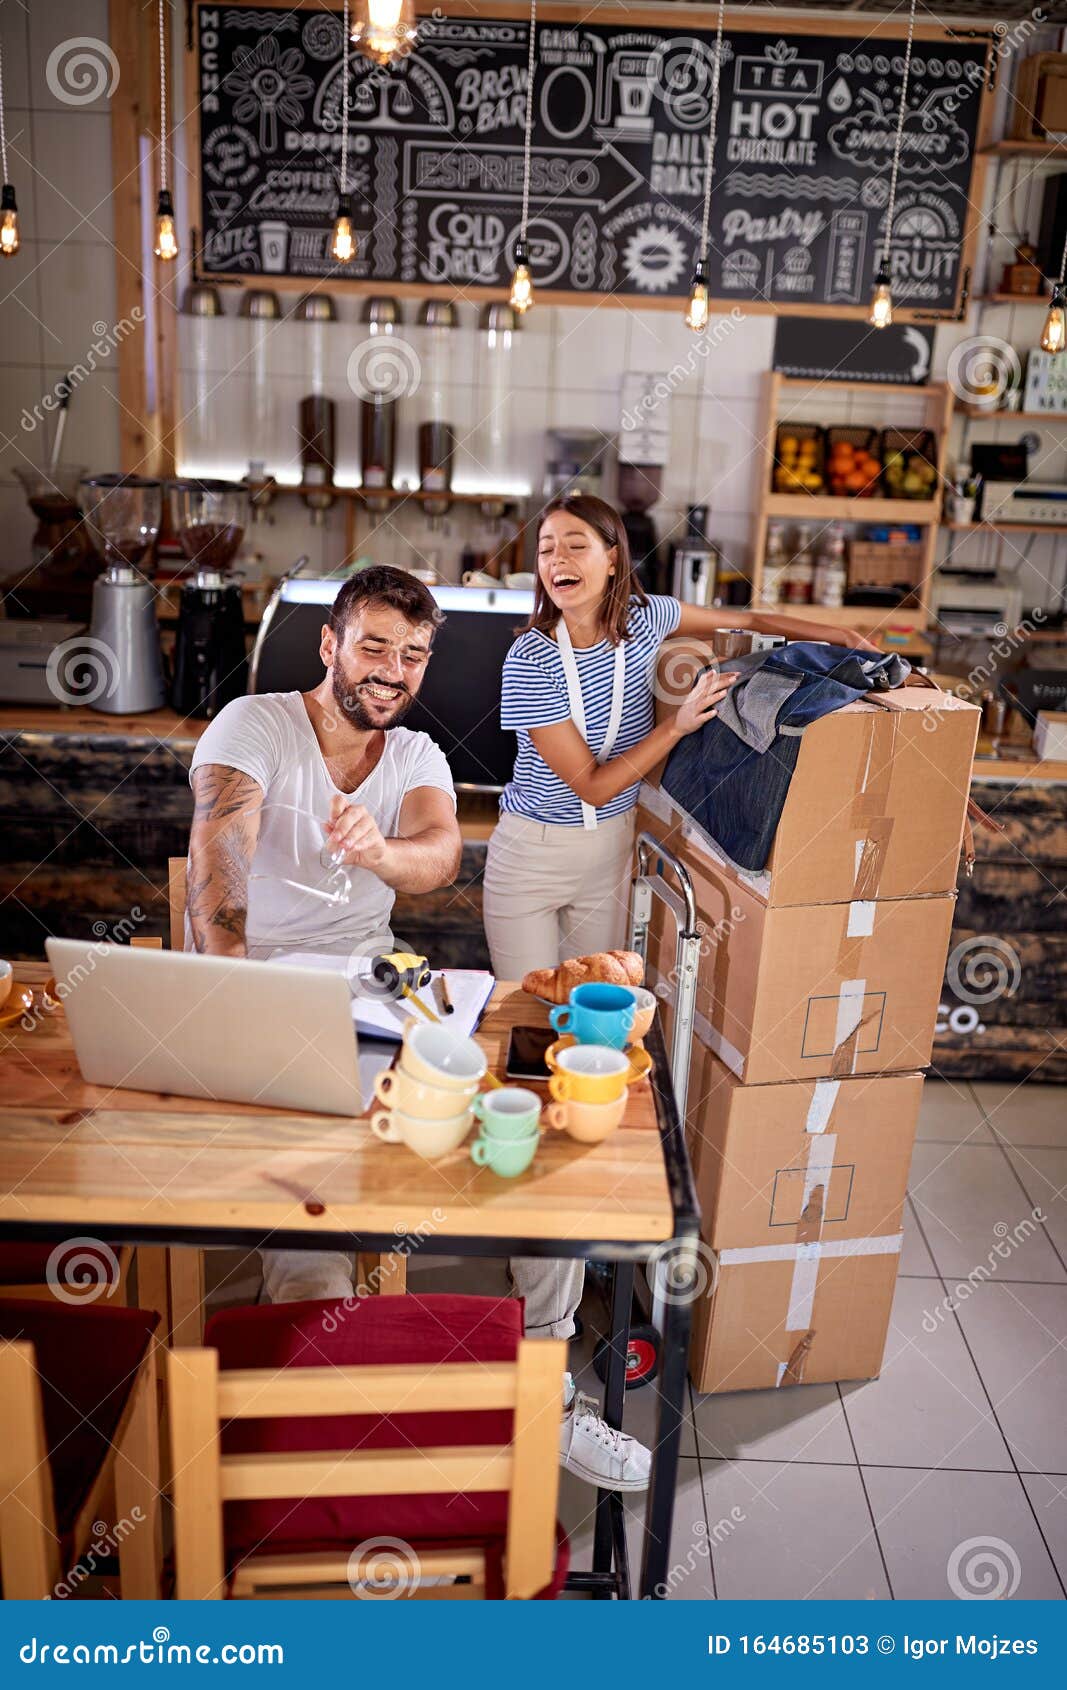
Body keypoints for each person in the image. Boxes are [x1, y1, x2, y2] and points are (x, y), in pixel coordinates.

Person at [483, 492, 878, 1490]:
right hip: (532, 860)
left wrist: (830, 631)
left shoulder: (650, 621)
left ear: (615, 560)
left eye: (576, 544)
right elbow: (589, 785)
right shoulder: (529, 658)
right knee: (532, 1068)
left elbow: (748, 622)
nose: (556, 558)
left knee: (595, 1064)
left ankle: (556, 1274)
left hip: (606, 864)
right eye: (543, 547)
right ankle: (539, 1321)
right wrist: (686, 718)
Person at [186, 565, 461, 1306]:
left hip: (364, 986)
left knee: (450, 1097)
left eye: (412, 656)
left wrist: (380, 853)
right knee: (319, 1111)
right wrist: (236, 986)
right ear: (328, 644)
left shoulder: (412, 755)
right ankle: (314, 1303)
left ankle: (338, 1287)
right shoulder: (255, 723)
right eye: (374, 647)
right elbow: (219, 868)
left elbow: (439, 856)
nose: (393, 672)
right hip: (257, 976)